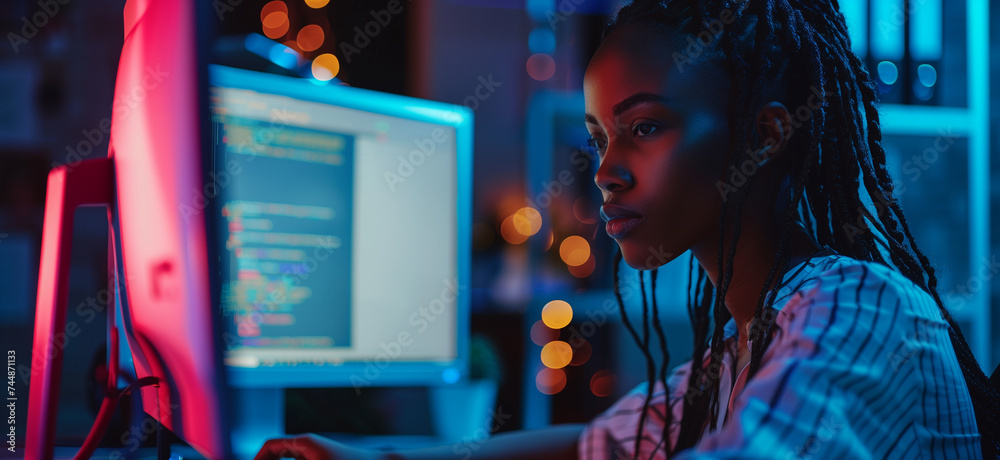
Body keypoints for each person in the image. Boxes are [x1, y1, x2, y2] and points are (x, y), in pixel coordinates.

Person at [255, 1, 1000, 459]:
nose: (606, 169)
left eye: (644, 126)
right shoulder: (749, 340)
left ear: (765, 136)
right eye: (598, 135)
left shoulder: (856, 306)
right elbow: (599, 444)